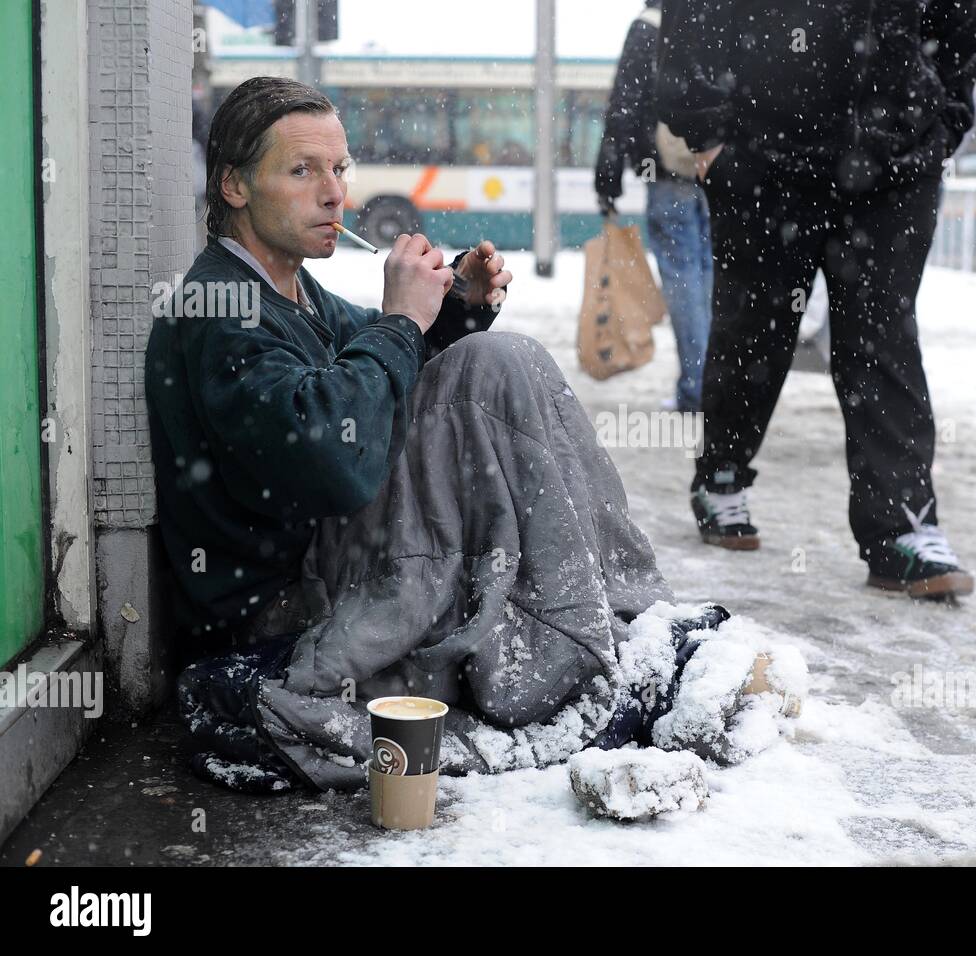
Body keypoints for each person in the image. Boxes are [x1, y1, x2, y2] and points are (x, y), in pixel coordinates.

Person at [146, 76, 789, 793]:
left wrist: (451, 303)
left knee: (492, 364)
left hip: (332, 563)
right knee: (496, 368)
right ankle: (583, 643)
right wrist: (400, 321)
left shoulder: (285, 287)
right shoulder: (222, 311)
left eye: (339, 168)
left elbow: (382, 364)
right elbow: (331, 457)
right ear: (234, 185)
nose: (335, 194)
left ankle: (613, 617)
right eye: (302, 171)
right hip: (283, 614)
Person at [657, 0, 976, 599]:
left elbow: (961, 23)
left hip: (896, 160)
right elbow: (691, 21)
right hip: (765, 154)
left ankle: (901, 528)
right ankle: (722, 475)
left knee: (882, 332)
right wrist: (707, 135)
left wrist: (942, 121)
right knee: (755, 328)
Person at [595, 0, 712, 413]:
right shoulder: (714, 20)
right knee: (710, 274)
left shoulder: (648, 27)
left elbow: (624, 107)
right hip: (714, 169)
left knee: (684, 279)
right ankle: (718, 384)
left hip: (667, 175)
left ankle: (698, 388)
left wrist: (607, 181)